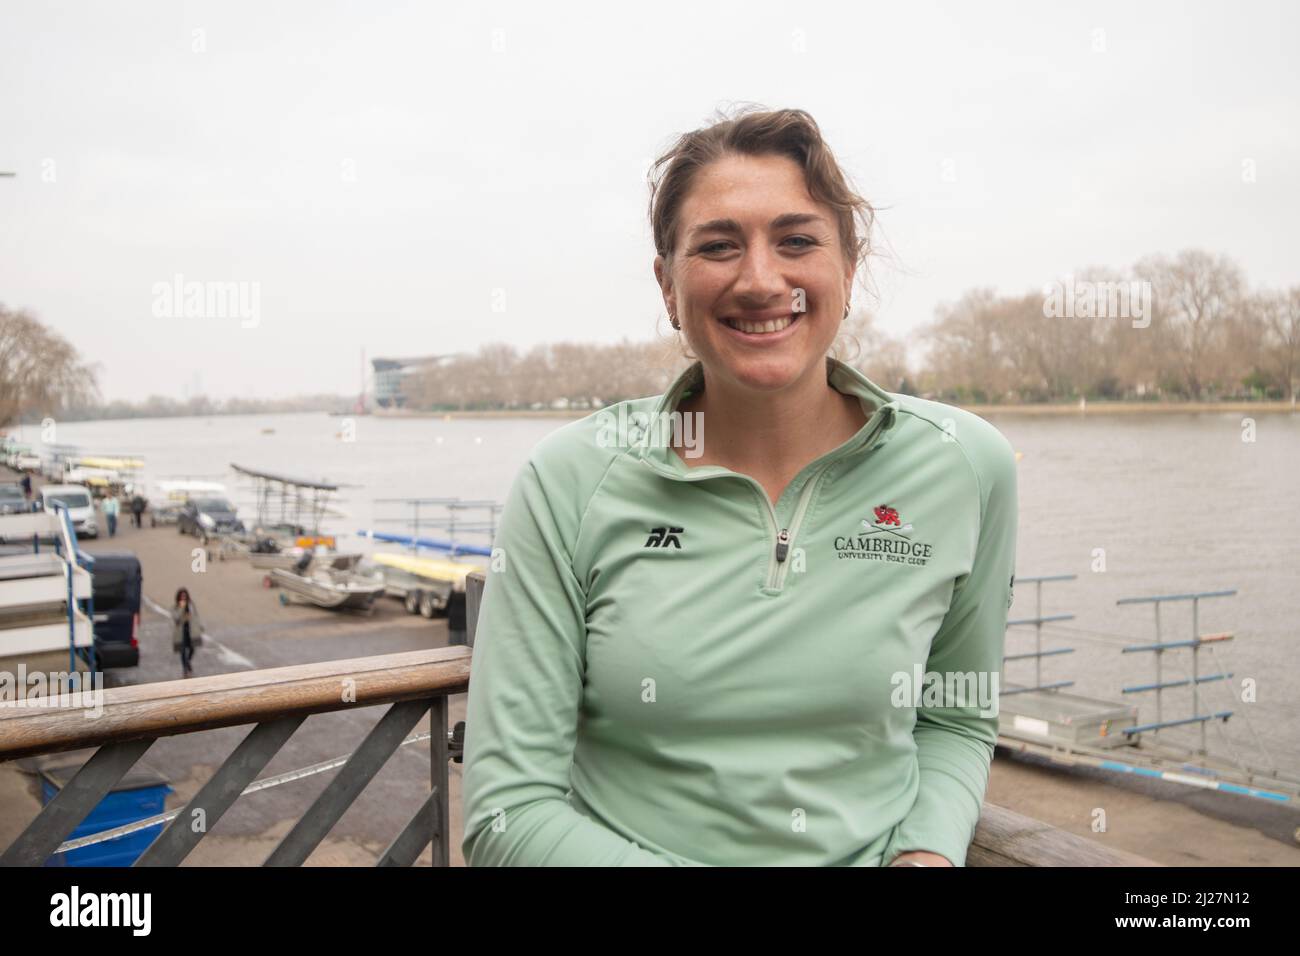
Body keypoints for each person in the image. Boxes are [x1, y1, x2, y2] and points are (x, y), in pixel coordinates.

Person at [460, 107, 1019, 868]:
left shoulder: (965, 466)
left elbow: (954, 720)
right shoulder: (569, 481)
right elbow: (506, 815)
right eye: (718, 246)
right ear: (667, 286)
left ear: (848, 270)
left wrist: (926, 851)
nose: (761, 280)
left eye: (797, 241)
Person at [171, 587, 203, 678]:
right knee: (182, 651)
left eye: (185, 596)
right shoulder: (176, 607)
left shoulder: (191, 605)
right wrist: (181, 608)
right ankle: (185, 668)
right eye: (182, 596)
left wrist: (199, 626)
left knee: (192, 649)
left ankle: (188, 662)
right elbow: (176, 619)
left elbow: (195, 616)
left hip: (190, 631)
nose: (183, 598)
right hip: (181, 633)